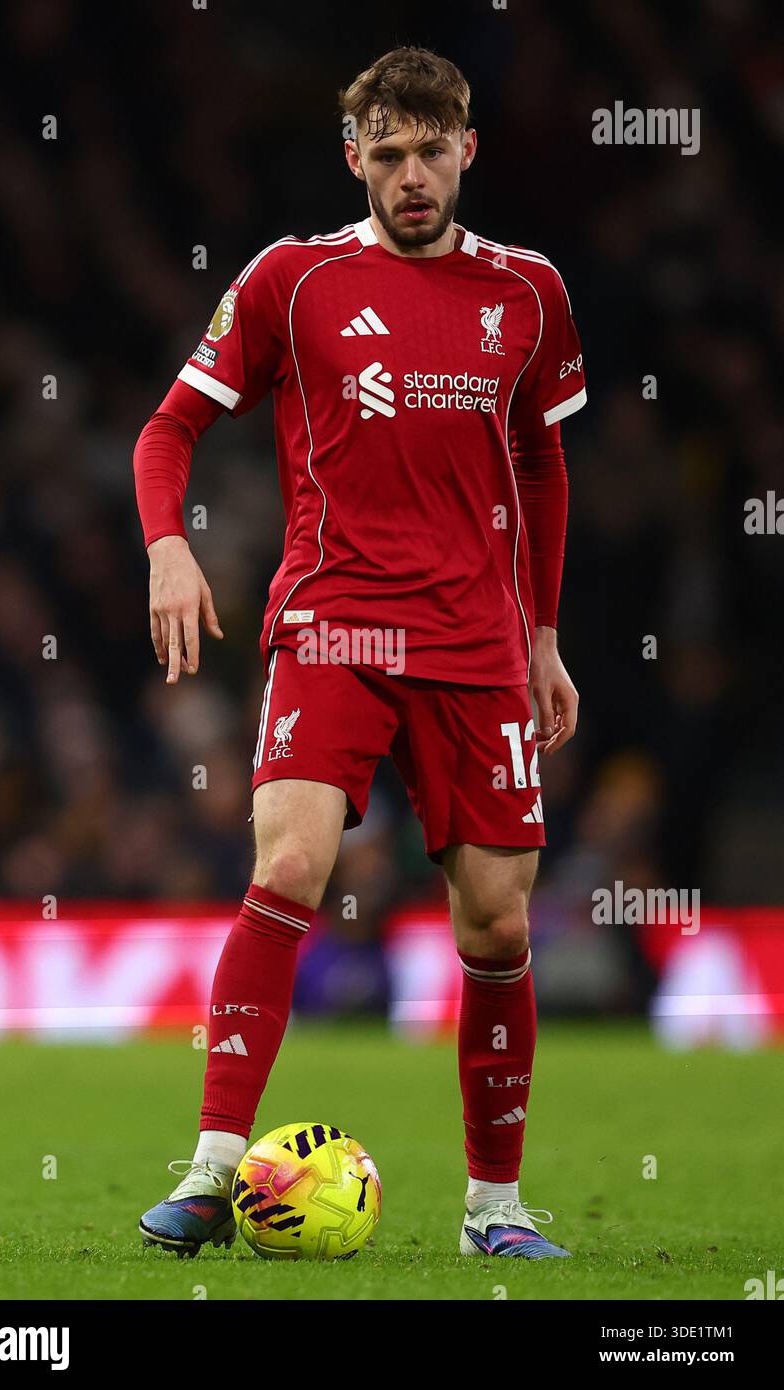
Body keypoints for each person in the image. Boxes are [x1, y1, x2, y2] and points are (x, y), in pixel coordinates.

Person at [133, 45, 586, 1260]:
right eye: (385, 155)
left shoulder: (530, 294)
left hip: (477, 642)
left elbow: (539, 466)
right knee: (288, 865)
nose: (411, 175)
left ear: (466, 149)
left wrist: (541, 634)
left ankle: (494, 1207)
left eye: (431, 150)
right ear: (354, 160)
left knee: (495, 925)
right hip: (331, 622)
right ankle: (211, 1173)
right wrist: (168, 550)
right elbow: (168, 427)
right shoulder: (295, 278)